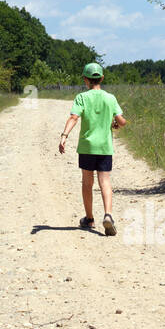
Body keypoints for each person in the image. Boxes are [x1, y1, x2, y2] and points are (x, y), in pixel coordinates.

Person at [58, 62, 126, 235]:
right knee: (105, 181)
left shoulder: (82, 97)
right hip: (104, 147)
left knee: (87, 183)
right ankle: (108, 215)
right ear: (102, 78)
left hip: (87, 147)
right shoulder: (110, 98)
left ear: (85, 80)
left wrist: (64, 136)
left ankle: (89, 219)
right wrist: (115, 124)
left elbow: (74, 117)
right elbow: (122, 121)